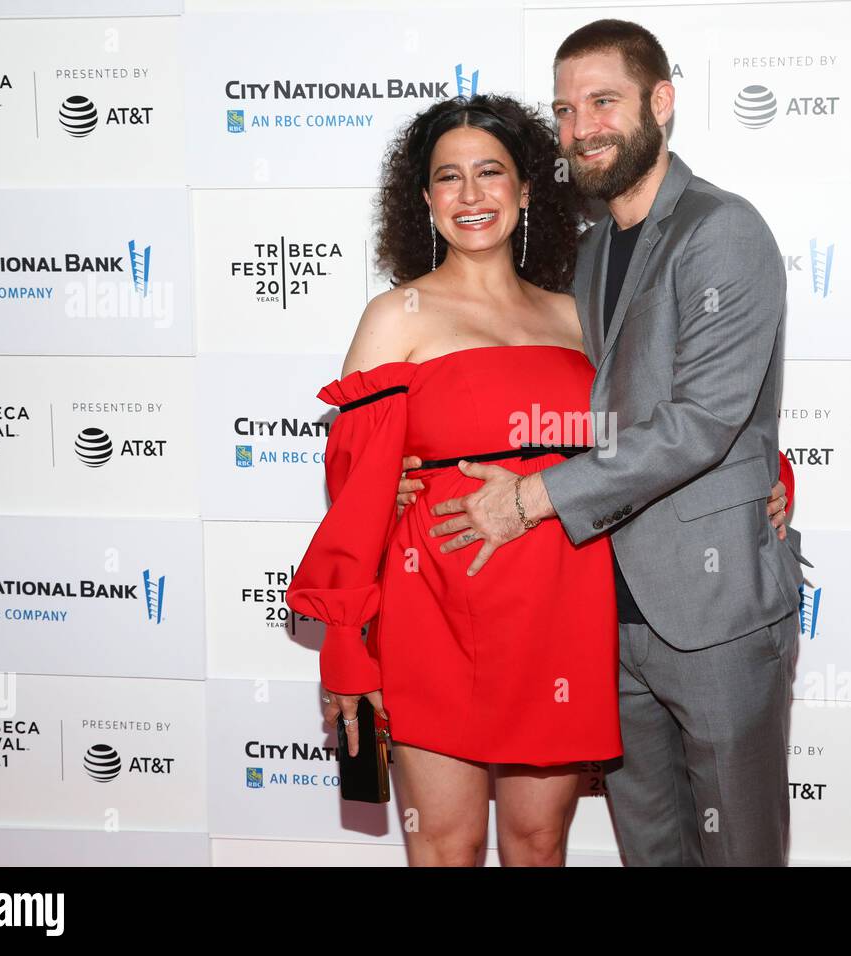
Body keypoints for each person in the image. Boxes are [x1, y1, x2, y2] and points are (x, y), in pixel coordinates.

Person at [425, 19, 808, 866]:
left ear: (660, 103)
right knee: (650, 852)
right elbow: (583, 406)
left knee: (741, 851)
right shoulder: (592, 253)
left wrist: (531, 499)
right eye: (565, 111)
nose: (582, 128)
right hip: (603, 614)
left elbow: (703, 420)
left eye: (604, 102)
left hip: (714, 612)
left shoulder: (722, 229)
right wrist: (419, 469)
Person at [285, 94, 625, 867]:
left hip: (562, 602)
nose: (471, 195)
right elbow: (357, 496)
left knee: (540, 843)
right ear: (426, 198)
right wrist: (345, 642)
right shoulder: (396, 316)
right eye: (448, 177)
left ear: (528, 189)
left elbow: (655, 437)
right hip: (435, 604)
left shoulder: (579, 318)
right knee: (447, 845)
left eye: (490, 172)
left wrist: (764, 477)